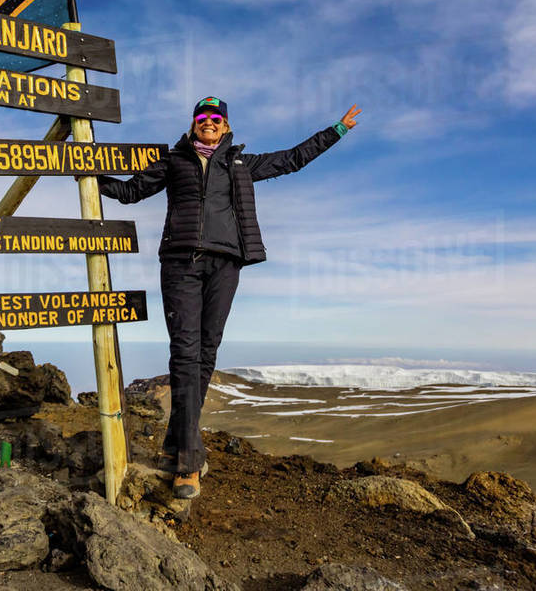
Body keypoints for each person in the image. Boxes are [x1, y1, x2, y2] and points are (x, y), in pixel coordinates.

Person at [97, 96, 361, 499]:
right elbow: (131, 191)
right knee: (185, 353)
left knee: (205, 355)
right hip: (181, 263)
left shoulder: (241, 163)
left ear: (226, 128)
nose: (209, 122)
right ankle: (188, 464)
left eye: (216, 118)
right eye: (202, 117)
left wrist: (336, 130)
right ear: (192, 125)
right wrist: (86, 173)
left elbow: (292, 159)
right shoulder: (174, 161)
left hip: (225, 265)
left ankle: (174, 447)